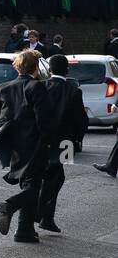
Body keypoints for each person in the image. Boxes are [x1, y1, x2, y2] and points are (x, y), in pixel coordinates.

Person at [0, 50, 51, 243]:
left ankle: (24, 230)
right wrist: (49, 141)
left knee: (28, 183)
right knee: (35, 186)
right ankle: (10, 205)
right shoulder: (37, 87)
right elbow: (44, 120)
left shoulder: (3, 87)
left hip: (12, 143)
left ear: (18, 66)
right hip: (33, 143)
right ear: (35, 67)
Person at [36, 53, 88, 233]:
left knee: (51, 176)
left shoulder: (41, 87)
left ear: (49, 69)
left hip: (41, 140)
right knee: (56, 177)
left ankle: (46, 218)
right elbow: (81, 119)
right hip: (64, 141)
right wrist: (78, 138)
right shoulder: (73, 90)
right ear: (67, 69)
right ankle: (40, 214)